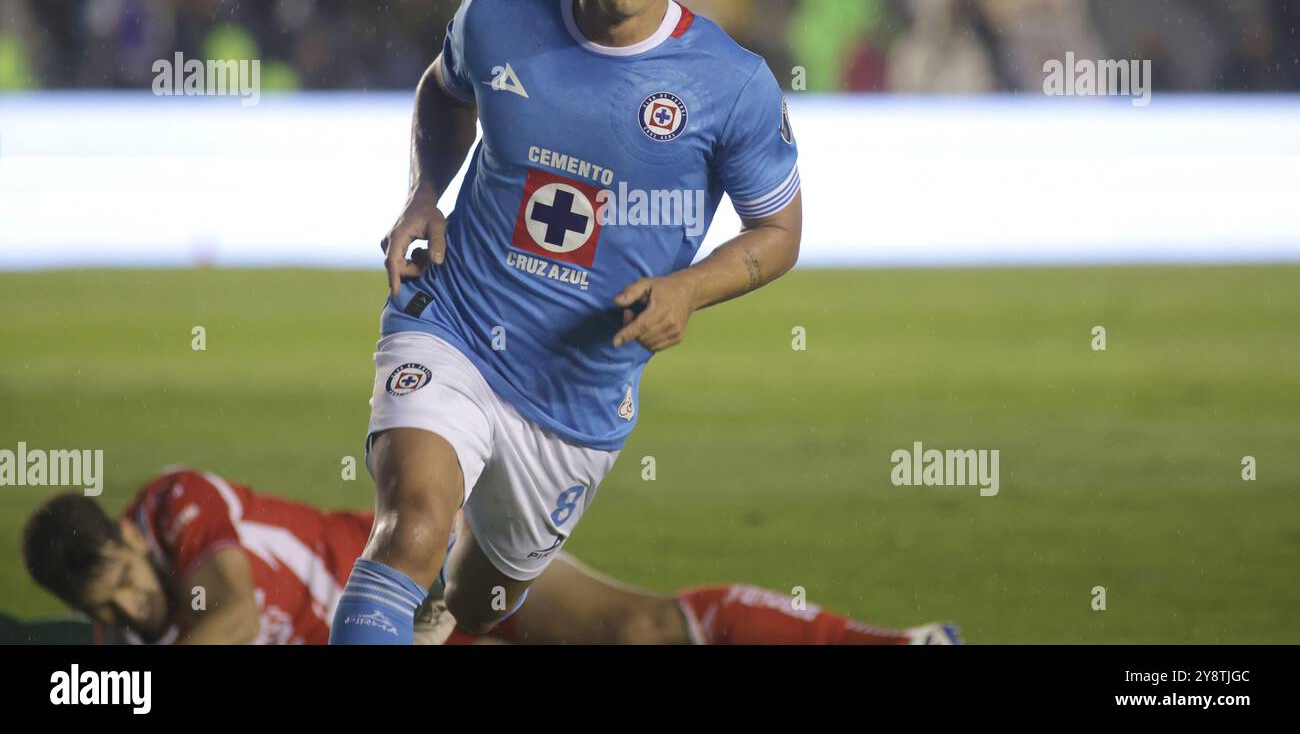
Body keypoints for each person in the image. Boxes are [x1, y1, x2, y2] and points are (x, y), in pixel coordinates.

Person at [331, 0, 804, 645]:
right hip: (456, 324)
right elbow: (444, 94)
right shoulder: (496, 17)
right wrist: (423, 196)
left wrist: (689, 290)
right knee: (409, 530)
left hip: (577, 394)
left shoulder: (730, 85)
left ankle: (447, 605)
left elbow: (779, 230)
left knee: (478, 604)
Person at [21, 469, 960, 645]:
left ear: (132, 542)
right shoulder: (120, 646)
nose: (148, 603)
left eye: (137, 577)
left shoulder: (175, 504)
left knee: (638, 629)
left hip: (428, 578)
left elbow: (222, 612)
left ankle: (893, 645)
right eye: (124, 603)